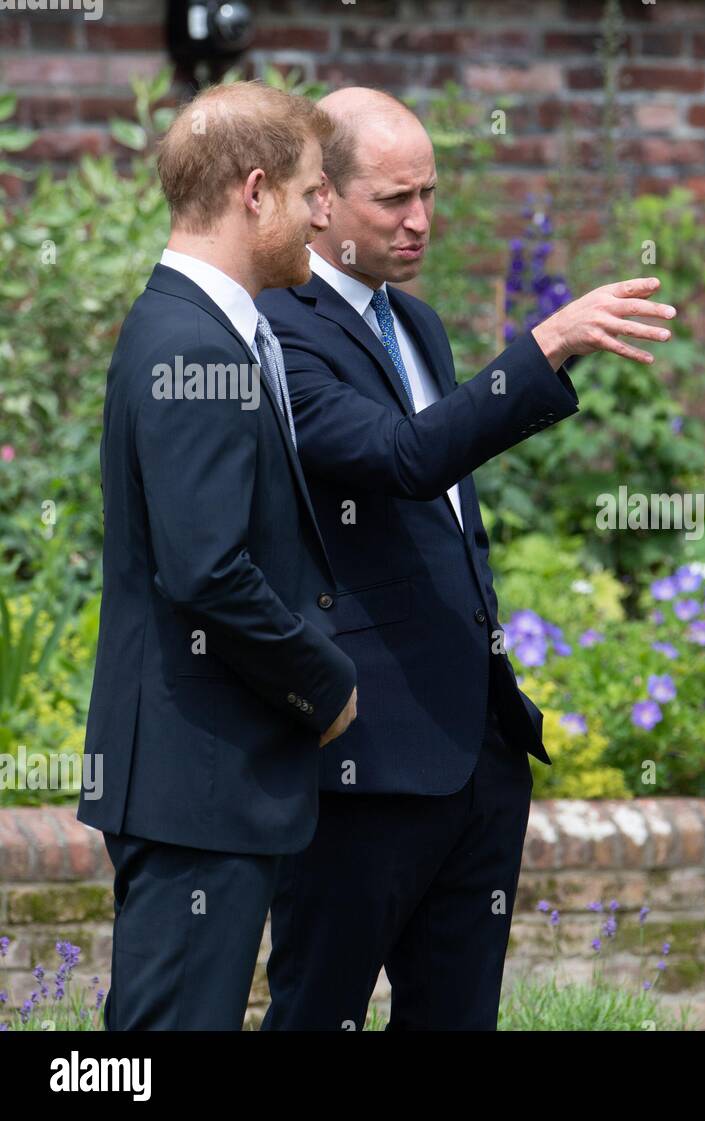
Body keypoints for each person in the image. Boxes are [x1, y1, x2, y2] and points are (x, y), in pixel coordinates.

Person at [255, 87, 676, 1030]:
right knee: (317, 1012)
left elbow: (449, 513)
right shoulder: (276, 326)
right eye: (394, 199)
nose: (420, 221)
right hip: (361, 757)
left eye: (431, 195)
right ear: (319, 198)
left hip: (475, 757)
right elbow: (405, 459)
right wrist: (548, 341)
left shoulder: (415, 323)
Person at [80, 81, 359, 1030]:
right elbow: (205, 570)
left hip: (205, 779)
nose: (329, 214)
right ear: (255, 192)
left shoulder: (211, 329)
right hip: (198, 783)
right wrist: (324, 682)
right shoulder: (187, 343)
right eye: (315, 191)